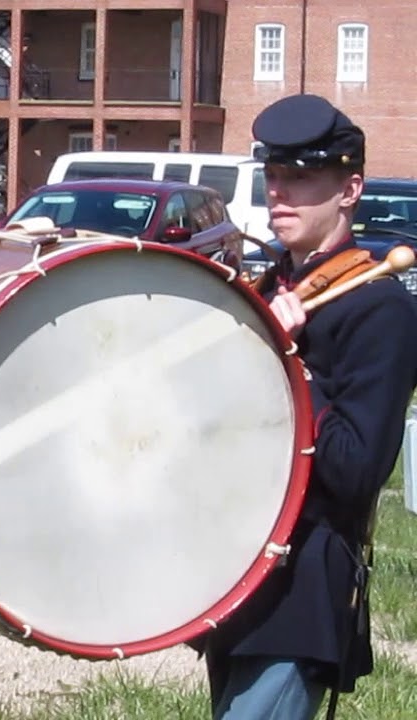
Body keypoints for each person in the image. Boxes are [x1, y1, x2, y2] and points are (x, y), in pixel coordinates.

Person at [201, 94, 417, 719]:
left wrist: (286, 366)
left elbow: (353, 474)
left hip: (303, 588)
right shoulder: (271, 290)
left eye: (302, 178)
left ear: (349, 188)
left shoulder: (379, 309)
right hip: (238, 575)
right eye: (274, 176)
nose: (281, 193)